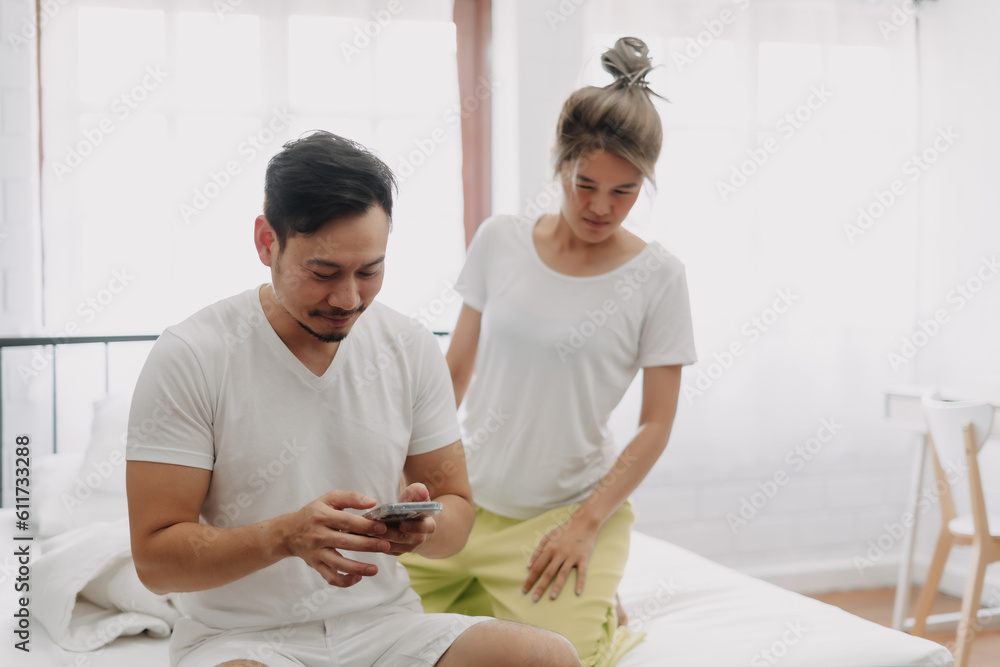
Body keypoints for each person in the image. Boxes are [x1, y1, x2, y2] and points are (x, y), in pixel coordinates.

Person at [125, 131, 581, 667]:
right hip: (240, 640)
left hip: (385, 629)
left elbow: (456, 513)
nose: (348, 299)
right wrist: (285, 536)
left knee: (549, 658)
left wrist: (422, 530)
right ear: (266, 242)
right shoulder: (192, 355)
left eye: (370, 271)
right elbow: (156, 561)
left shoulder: (409, 347)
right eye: (322, 273)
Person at [400, 37, 697, 667]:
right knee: (377, 634)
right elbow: (456, 369)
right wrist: (410, 473)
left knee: (564, 656)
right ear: (560, 165)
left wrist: (585, 526)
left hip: (565, 512)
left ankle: (590, 599)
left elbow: (657, 423)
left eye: (624, 191)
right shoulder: (500, 241)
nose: (599, 207)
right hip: (468, 504)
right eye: (586, 184)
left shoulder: (659, 278)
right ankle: (492, 590)